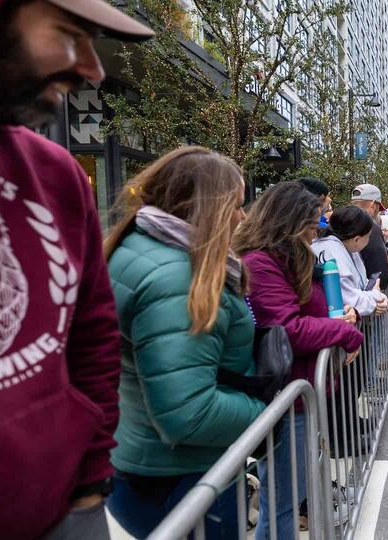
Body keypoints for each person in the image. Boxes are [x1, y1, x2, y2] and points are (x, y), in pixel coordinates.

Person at [0, 2, 154, 538]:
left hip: (64, 511)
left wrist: (89, 483)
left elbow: (93, 336)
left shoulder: (55, 171)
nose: (92, 67)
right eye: (67, 34)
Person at [103, 147, 264, 538]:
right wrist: (265, 409)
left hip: (151, 467)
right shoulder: (178, 276)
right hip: (181, 476)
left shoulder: (144, 249)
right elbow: (188, 412)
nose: (242, 217)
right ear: (207, 206)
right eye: (236, 205)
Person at [234, 182, 364, 539]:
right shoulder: (261, 262)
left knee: (290, 499)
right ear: (289, 223)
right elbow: (288, 328)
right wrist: (342, 331)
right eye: (311, 226)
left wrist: (339, 317)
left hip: (299, 395)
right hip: (285, 400)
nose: (315, 233)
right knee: (282, 507)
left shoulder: (285, 258)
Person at [312, 207, 388, 317]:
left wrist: (380, 298)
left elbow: (362, 285)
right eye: (368, 237)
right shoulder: (334, 252)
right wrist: (376, 296)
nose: (368, 241)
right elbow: (352, 300)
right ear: (357, 239)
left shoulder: (347, 248)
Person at [351, 184, 388, 290]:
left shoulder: (340, 222)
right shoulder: (369, 227)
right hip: (366, 295)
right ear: (373, 205)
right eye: (379, 208)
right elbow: (379, 274)